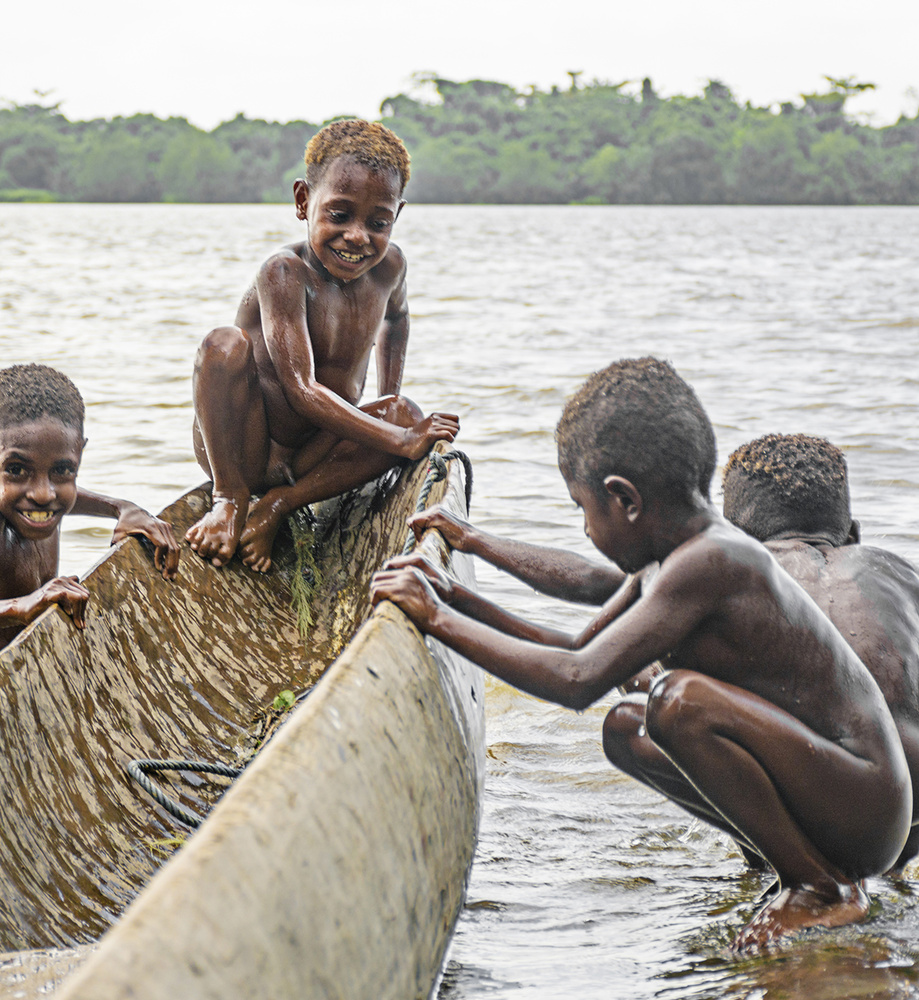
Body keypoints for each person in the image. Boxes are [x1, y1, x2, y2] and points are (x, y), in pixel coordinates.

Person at [370, 358, 911, 951]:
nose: (583, 529)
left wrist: (438, 620)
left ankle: (820, 888)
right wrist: (456, 595)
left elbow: (575, 681)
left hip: (869, 807)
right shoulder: (673, 557)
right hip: (828, 791)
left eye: (583, 510)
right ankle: (795, 862)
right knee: (628, 722)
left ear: (623, 500)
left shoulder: (715, 560)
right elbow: (579, 646)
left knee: (678, 703)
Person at [416, 432, 919, 872]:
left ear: (734, 532)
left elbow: (597, 604)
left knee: (645, 694)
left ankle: (788, 863)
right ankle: (862, 865)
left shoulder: (731, 568)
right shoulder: (897, 573)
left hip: (817, 795)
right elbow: (603, 588)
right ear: (852, 533)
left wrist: (473, 546)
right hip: (899, 809)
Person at [184, 119, 459, 573]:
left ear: (397, 216)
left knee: (404, 409)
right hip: (249, 447)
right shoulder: (284, 274)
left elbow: (398, 318)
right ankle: (229, 501)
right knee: (221, 345)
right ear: (303, 201)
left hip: (316, 456)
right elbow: (300, 388)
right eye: (339, 214)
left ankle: (279, 504)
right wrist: (399, 440)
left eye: (378, 222)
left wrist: (388, 403)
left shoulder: (391, 267)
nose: (357, 236)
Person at [0, 364, 179, 728]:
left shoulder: (44, 506)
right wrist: (20, 608)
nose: (43, 493)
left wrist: (122, 508)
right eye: (17, 470)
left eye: (62, 471)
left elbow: (64, 495)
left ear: (79, 457)